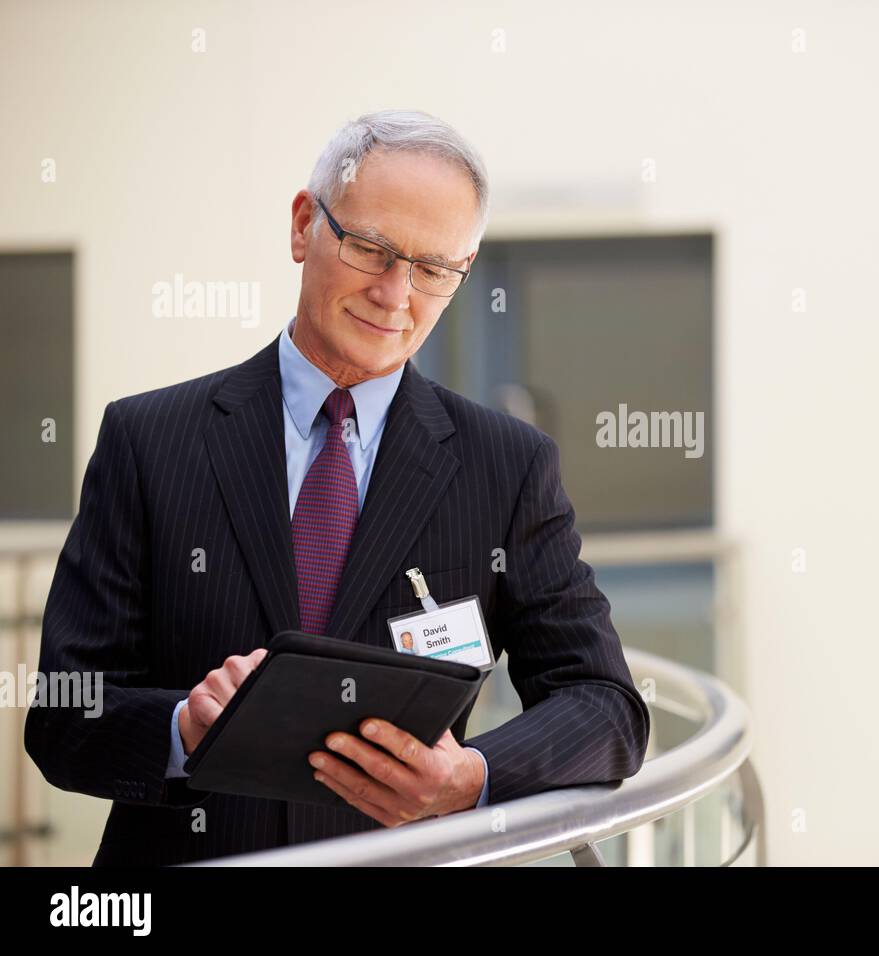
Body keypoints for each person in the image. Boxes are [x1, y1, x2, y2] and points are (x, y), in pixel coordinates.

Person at [24, 109, 650, 866]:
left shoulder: (507, 466)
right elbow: (63, 715)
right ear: (302, 227)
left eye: (433, 269)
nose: (396, 294)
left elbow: (606, 706)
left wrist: (470, 777)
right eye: (371, 248)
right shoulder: (149, 440)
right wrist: (184, 729)